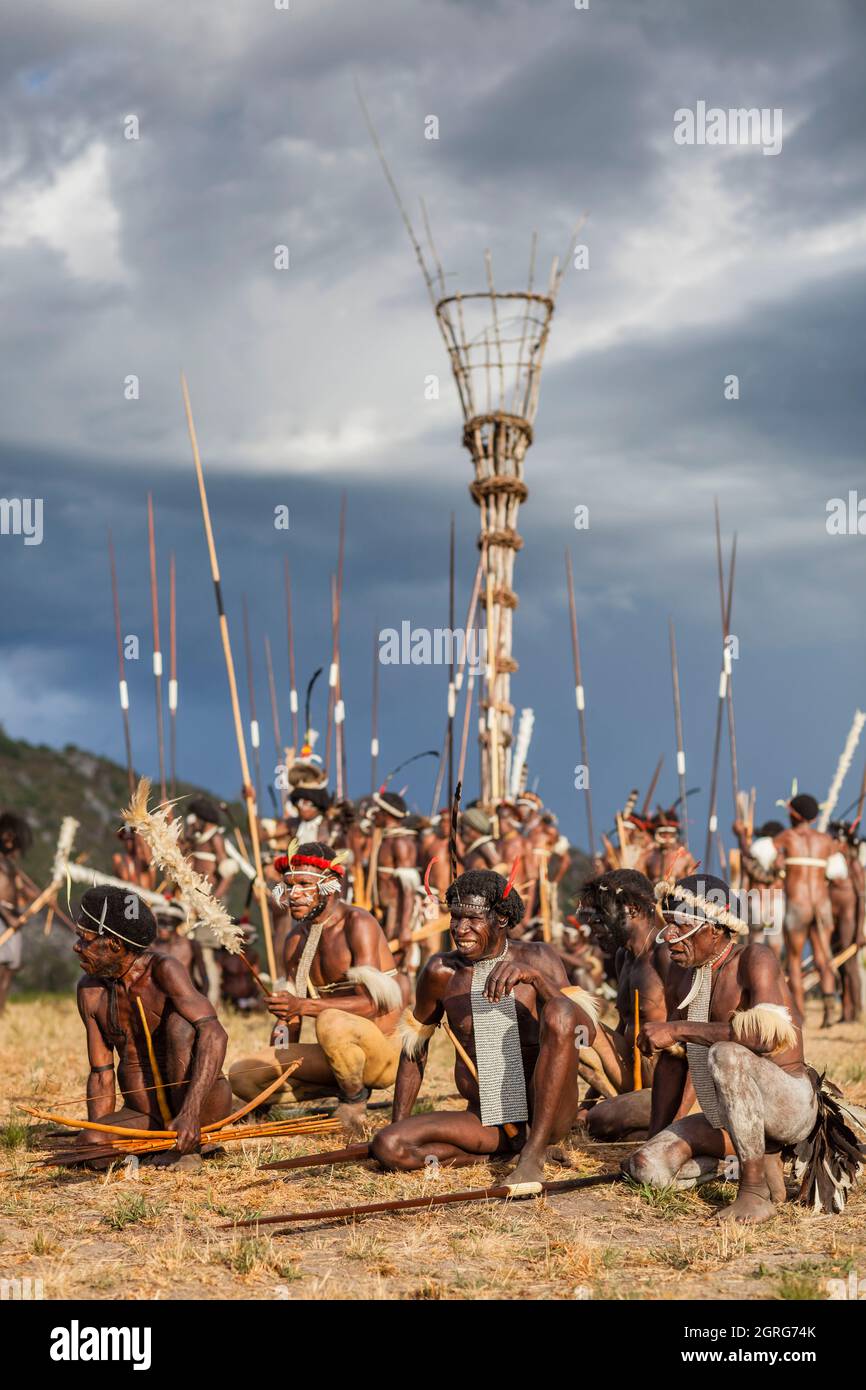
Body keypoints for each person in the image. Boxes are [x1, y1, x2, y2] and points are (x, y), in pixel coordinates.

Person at [371, 868, 597, 1189]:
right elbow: (414, 1050)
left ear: (500, 919)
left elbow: (586, 1033)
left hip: (547, 1115)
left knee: (561, 1009)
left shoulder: (539, 957)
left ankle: (533, 1152)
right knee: (388, 1146)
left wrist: (536, 980)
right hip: (486, 1118)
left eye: (473, 919)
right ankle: (505, 1152)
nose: (461, 929)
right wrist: (399, 1123)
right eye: (455, 918)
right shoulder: (441, 971)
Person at [625, 873, 816, 1224]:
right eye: (668, 924)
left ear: (714, 929)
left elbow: (768, 1037)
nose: (669, 936)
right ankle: (753, 1161)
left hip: (787, 1104)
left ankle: (754, 1190)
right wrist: (656, 1135)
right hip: (733, 1118)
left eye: (681, 924)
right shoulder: (680, 975)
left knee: (726, 1052)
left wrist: (677, 1029)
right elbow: (674, 1060)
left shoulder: (755, 958)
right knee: (646, 1167)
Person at [228, 843, 406, 1137]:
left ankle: (354, 1103)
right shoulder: (295, 939)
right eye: (289, 886)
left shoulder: (357, 923)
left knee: (330, 1020)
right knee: (243, 1075)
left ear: (329, 887)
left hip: (382, 1053)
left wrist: (302, 1006)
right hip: (336, 1052)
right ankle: (340, 1086)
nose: (293, 894)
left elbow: (374, 1005)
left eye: (304, 885)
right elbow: (291, 1018)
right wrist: (280, 1047)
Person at [73, 885, 231, 1164]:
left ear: (114, 945)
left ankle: (189, 1145)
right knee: (90, 1145)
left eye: (85, 940)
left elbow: (214, 1033)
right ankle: (155, 1145)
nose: (77, 947)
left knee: (180, 1026)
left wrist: (191, 1113)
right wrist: (98, 1137)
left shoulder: (164, 969)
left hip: (200, 1109)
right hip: (146, 1117)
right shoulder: (90, 990)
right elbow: (101, 1074)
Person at [576, 869, 673, 1139]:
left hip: (665, 1084)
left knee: (599, 1121)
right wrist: (588, 1102)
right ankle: (612, 1109)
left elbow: (689, 1030)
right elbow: (622, 1028)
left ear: (631, 909)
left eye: (601, 916)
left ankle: (629, 1116)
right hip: (630, 1075)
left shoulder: (666, 954)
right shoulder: (624, 956)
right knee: (570, 1016)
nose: (595, 926)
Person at [0, 812, 38, 1013]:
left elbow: (20, 887)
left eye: (11, 835)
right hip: (3, 916)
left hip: (15, 916)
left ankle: (2, 1009)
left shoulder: (10, 863)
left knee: (10, 967)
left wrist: (41, 896)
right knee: (0, 965)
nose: (8, 838)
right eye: (5, 834)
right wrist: (7, 917)